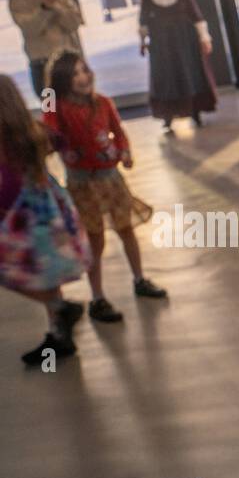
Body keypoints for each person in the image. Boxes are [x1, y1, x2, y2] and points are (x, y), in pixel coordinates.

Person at [43, 51, 164, 324]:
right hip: (82, 184)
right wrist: (49, 95)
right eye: (74, 73)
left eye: (85, 70)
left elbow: (119, 133)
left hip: (111, 179)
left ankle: (139, 279)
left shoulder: (104, 103)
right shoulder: (57, 107)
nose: (83, 77)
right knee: (94, 239)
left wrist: (125, 152)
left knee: (126, 230)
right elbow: (47, 126)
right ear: (62, 80)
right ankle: (97, 296)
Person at [0, 74, 89, 366]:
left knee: (9, 271)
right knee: (47, 271)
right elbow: (60, 140)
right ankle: (58, 333)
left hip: (25, 218)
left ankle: (58, 308)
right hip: (49, 212)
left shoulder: (4, 141)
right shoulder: (32, 130)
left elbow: (10, 186)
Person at [139, 0, 218, 133]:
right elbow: (144, 18)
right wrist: (143, 41)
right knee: (166, 78)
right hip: (161, 42)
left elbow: (195, 14)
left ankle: (195, 112)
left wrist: (204, 37)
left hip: (184, 39)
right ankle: (168, 116)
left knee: (189, 74)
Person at [8, 0, 84, 96]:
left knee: (78, 102)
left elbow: (73, 24)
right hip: (42, 64)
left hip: (69, 61)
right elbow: (31, 29)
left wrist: (54, 5)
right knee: (50, 107)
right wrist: (45, 7)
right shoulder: (17, 1)